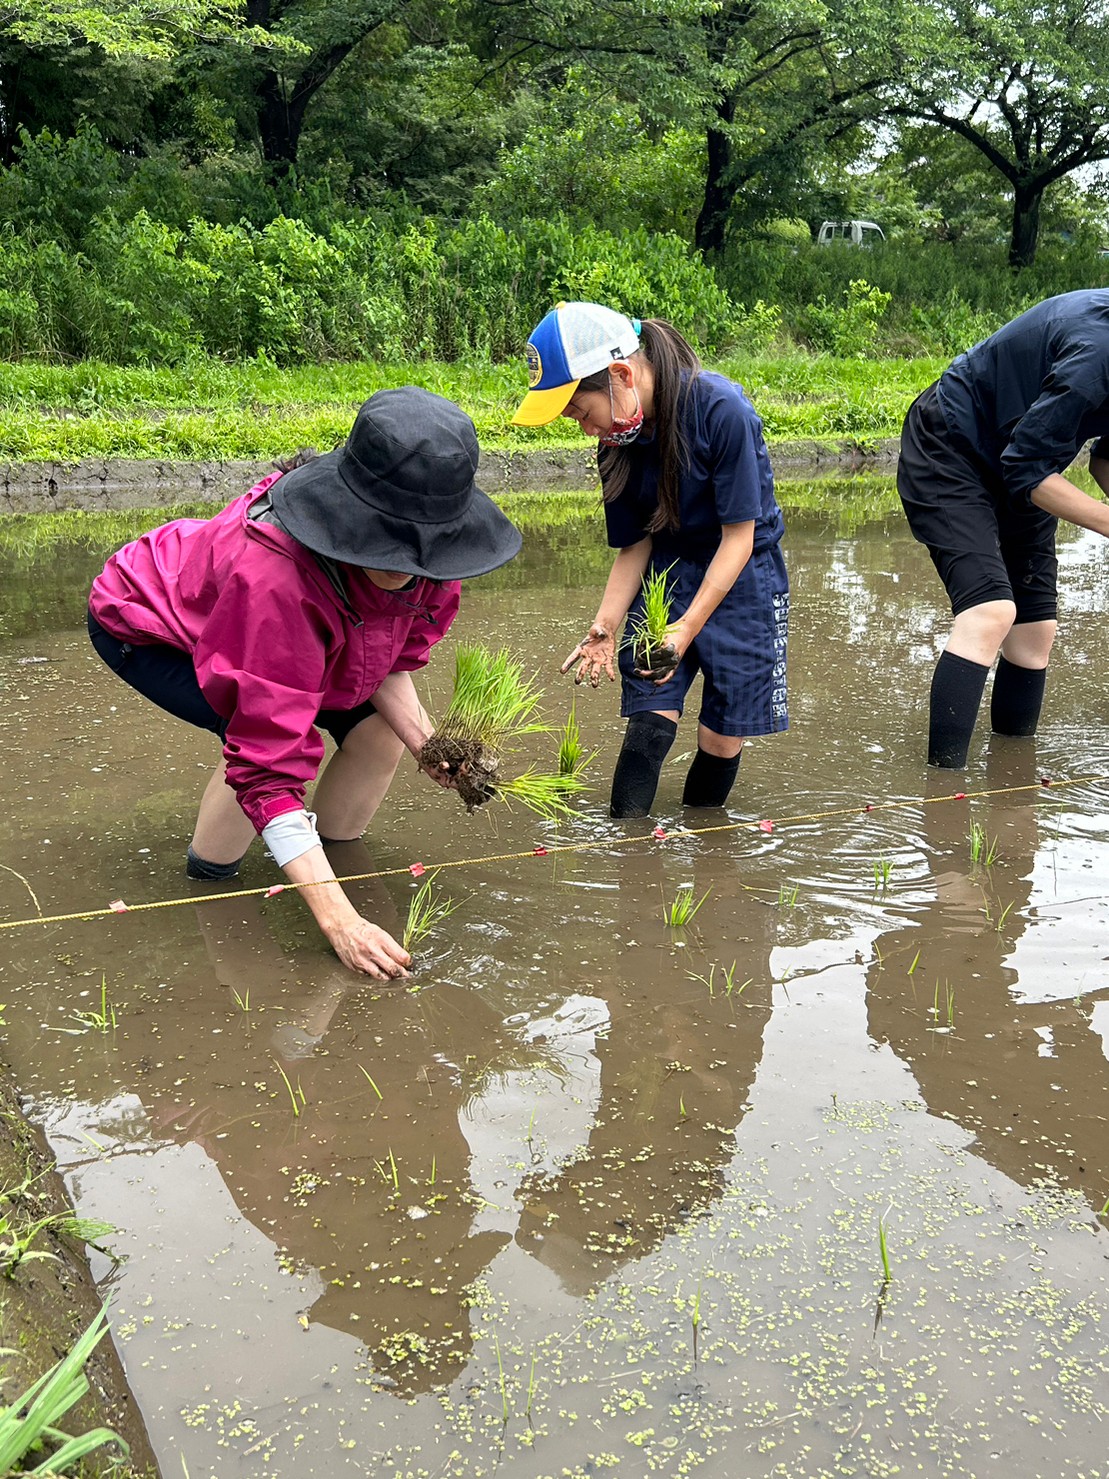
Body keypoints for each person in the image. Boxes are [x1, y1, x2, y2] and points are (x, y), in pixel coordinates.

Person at [87, 386, 522, 979]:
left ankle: (334, 858)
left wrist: (430, 746)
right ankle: (212, 886)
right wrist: (341, 923)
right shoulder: (275, 580)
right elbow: (265, 757)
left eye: (424, 553)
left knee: (379, 734)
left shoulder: (436, 564)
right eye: (393, 548)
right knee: (254, 738)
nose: (410, 568)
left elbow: (384, 660)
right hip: (155, 623)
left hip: (287, 625)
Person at [512, 300, 788, 817]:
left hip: (744, 576)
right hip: (667, 573)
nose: (586, 428)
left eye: (582, 412)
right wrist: (605, 627)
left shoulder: (722, 410)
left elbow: (739, 538)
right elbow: (635, 545)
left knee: (722, 732)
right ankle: (628, 843)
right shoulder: (617, 440)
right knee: (650, 715)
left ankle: (704, 839)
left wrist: (686, 630)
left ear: (622, 375)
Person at [897, 288, 1109, 769]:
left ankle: (1011, 785)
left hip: (1025, 456)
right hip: (952, 445)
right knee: (990, 611)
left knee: (1035, 632)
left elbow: (1104, 459)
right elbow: (1027, 469)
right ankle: (944, 792)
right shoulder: (1096, 355)